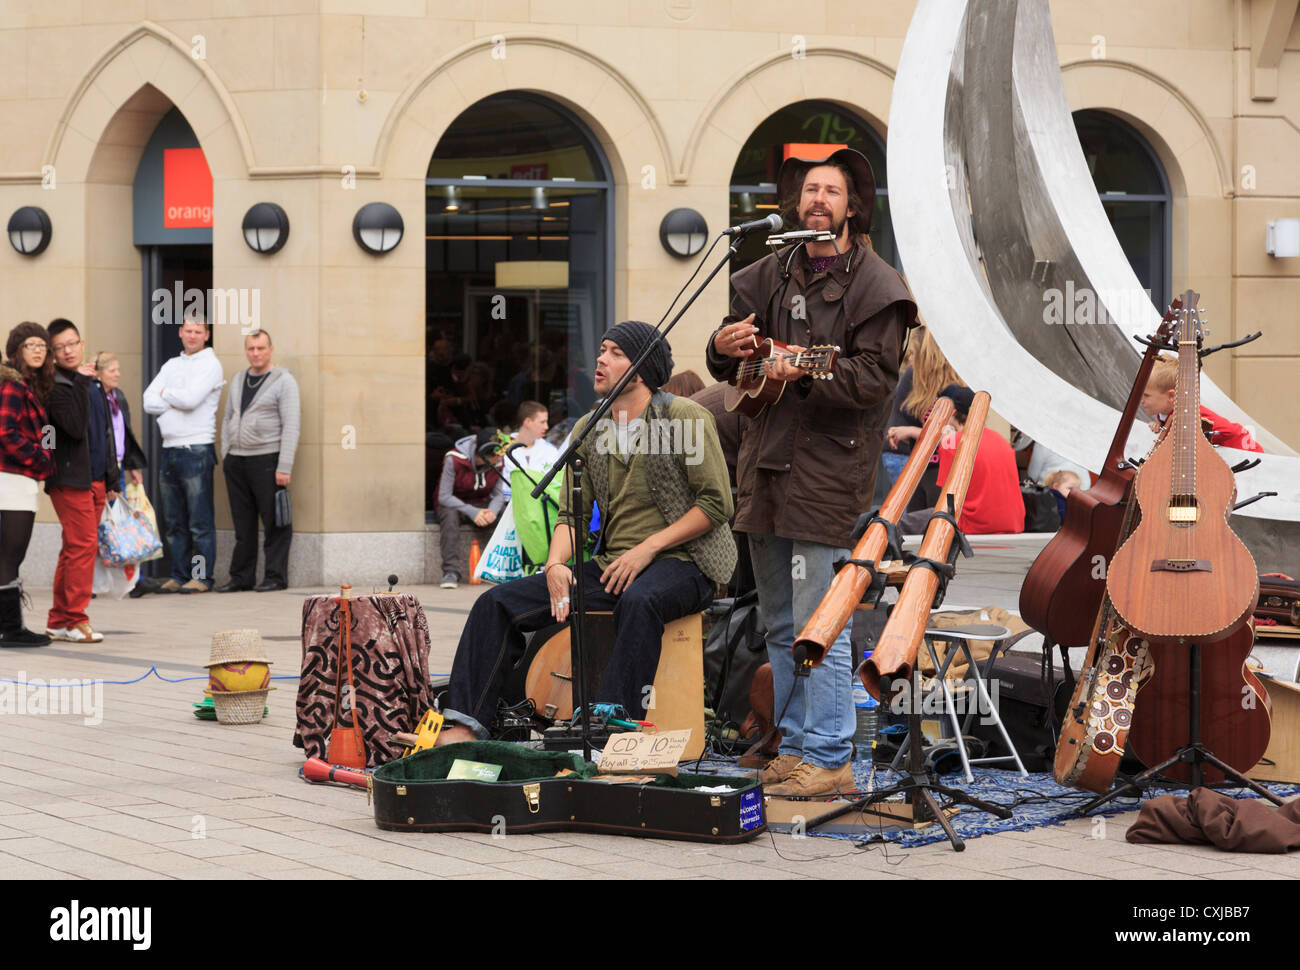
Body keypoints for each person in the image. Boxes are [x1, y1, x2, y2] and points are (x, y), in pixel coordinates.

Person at [706, 147, 918, 797]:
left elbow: (873, 378)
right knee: (777, 621)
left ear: (852, 206)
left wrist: (806, 366)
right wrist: (724, 349)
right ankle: (795, 746)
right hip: (764, 467)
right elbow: (730, 367)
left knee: (817, 623)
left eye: (831, 190)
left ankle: (831, 754)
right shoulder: (765, 275)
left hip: (828, 473)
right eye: (809, 190)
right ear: (794, 204)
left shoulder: (877, 285)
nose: (818, 199)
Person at [436, 321, 735, 744]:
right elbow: (572, 513)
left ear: (642, 369)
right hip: (613, 567)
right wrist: (556, 564)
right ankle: (466, 724)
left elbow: (716, 504)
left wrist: (647, 549)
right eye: (601, 349)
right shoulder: (588, 430)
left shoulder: (684, 417)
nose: (600, 358)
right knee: (496, 603)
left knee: (641, 599)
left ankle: (610, 726)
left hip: (687, 563)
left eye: (615, 352)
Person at [44, 318, 118, 643]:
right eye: (60, 347)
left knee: (72, 548)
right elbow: (73, 428)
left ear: (82, 343)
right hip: (69, 478)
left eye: (72, 343)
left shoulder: (91, 382)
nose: (68, 350)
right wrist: (79, 382)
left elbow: (106, 432)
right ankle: (76, 620)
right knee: (82, 547)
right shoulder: (56, 386)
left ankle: (58, 620)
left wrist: (112, 477)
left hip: (96, 478)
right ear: (53, 353)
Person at [142, 316, 224, 593]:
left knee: (199, 522)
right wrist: (175, 397)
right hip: (169, 449)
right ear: (180, 333)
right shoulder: (171, 365)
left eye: (197, 331)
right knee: (174, 521)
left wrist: (165, 393)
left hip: (196, 449)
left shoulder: (211, 365)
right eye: (188, 330)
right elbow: (147, 401)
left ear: (206, 335)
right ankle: (179, 576)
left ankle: (201, 577)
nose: (192, 336)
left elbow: (190, 400)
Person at [217, 329, 300, 593]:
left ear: (271, 349)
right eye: (251, 349)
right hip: (237, 461)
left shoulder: (284, 381)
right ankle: (241, 578)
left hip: (268, 460)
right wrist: (226, 453)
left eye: (261, 348)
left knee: (275, 523)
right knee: (243, 524)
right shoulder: (239, 379)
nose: (255, 354)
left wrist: (284, 466)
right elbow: (228, 417)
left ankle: (275, 577)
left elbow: (291, 425)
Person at [899, 388, 1025, 536]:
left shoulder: (952, 442)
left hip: (972, 523)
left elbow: (946, 499)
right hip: (1012, 523)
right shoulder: (1001, 441)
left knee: (900, 524)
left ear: (951, 413)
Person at [0, 323, 57, 646]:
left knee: (9, 555)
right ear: (16, 350)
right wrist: (40, 458)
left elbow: (43, 432)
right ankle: (11, 628)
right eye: (30, 345)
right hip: (11, 479)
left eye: (42, 346)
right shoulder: (13, 387)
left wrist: (46, 453)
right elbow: (5, 433)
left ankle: (8, 626)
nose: (38, 350)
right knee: (10, 555)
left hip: (20, 479)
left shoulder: (31, 387)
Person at [883, 326, 965, 506]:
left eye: (913, 354)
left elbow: (953, 438)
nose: (910, 359)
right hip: (921, 468)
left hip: (944, 471)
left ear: (927, 357)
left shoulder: (959, 393)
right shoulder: (920, 387)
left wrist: (911, 431)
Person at [1142, 354, 1263, 453]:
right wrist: (1160, 425)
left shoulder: (1195, 416)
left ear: (1171, 396)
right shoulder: (1164, 412)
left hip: (1246, 453)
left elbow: (1230, 431)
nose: (1141, 400)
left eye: (1146, 395)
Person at [436, 426, 507, 589]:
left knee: (507, 512)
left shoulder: (498, 461)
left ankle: (501, 569)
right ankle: (451, 572)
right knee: (449, 516)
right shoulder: (454, 459)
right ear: (482, 453)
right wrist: (473, 512)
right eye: (494, 455)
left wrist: (492, 512)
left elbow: (498, 495)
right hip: (455, 504)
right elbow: (444, 496)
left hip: (480, 503)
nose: (498, 459)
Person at [92, 352, 147, 492]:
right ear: (98, 373)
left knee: (119, 511)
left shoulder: (118, 396)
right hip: (100, 468)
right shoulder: (92, 398)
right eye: (112, 371)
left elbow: (126, 434)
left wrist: (132, 466)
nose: (118, 374)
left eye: (118, 370)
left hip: (118, 466)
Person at [500, 400, 559, 497]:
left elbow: (557, 484)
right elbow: (501, 490)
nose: (546, 427)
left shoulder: (550, 450)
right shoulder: (503, 449)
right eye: (542, 422)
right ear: (527, 422)